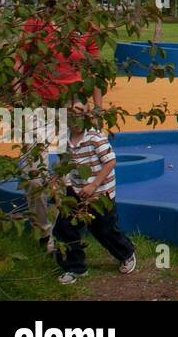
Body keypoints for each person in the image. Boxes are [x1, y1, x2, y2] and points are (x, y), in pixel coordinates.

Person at [12, 0, 103, 250]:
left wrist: (96, 110)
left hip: (73, 103)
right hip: (37, 102)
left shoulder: (86, 27)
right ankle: (44, 232)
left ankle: (69, 232)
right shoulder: (36, 24)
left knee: (72, 172)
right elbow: (19, 62)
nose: (74, 3)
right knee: (34, 174)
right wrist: (19, 97)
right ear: (55, 0)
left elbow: (94, 70)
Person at [52, 101, 136, 285]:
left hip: (100, 194)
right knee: (64, 227)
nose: (75, 121)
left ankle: (126, 253)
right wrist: (61, 185)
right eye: (71, 116)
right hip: (76, 192)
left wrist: (94, 184)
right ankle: (74, 267)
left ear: (87, 118)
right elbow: (63, 164)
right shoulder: (63, 139)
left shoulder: (95, 137)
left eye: (79, 116)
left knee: (104, 229)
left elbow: (110, 162)